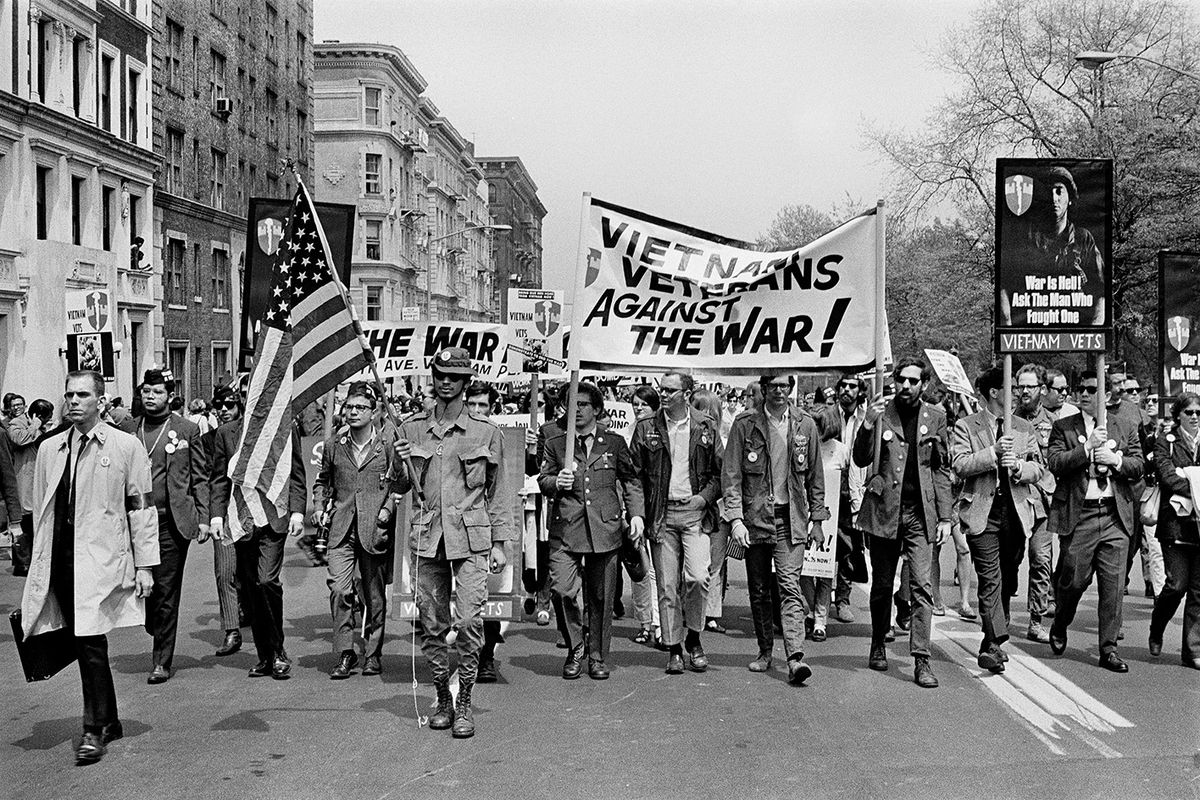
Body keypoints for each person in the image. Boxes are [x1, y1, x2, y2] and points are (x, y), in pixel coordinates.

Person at [20, 371, 159, 765]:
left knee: (91, 641)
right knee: (83, 643)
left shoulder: (125, 446)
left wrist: (146, 565)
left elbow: (142, 508)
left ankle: (92, 729)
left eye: (83, 394)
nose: (74, 401)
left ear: (101, 400)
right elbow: (41, 509)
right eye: (69, 394)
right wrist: (37, 560)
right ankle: (109, 718)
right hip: (62, 561)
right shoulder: (51, 449)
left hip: (101, 560)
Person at [394, 347, 513, 739]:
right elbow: (398, 487)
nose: (445, 381)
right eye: (440, 374)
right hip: (428, 537)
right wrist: (398, 462)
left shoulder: (485, 432)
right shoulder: (411, 430)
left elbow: (498, 493)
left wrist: (499, 543)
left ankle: (465, 701)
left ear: (466, 382)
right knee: (430, 622)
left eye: (453, 376)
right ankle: (442, 698)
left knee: (467, 620)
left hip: (472, 539)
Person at [853, 356, 953, 688]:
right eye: (902, 380)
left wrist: (945, 516)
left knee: (922, 586)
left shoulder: (935, 417)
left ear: (924, 384)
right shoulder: (882, 413)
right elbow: (861, 458)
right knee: (882, 585)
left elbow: (940, 470)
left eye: (913, 381)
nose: (906, 386)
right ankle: (878, 641)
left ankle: (922, 659)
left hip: (919, 513)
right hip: (885, 511)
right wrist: (868, 424)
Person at [724, 373, 827, 685]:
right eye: (774, 386)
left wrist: (818, 520)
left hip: (791, 518)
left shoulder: (805, 424)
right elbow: (731, 477)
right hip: (755, 519)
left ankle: (795, 657)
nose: (780, 392)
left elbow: (815, 476)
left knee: (790, 585)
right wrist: (736, 519)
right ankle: (765, 650)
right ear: (763, 389)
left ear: (791, 389)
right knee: (758, 589)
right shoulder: (745, 425)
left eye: (785, 386)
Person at [539, 381, 644, 682]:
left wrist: (635, 515)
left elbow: (631, 480)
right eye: (572, 405)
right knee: (563, 590)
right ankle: (575, 648)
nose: (577, 411)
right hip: (566, 528)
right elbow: (543, 479)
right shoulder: (557, 442)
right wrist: (554, 482)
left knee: (602, 597)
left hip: (604, 528)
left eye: (583, 405)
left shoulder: (613, 442)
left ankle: (597, 655)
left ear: (597, 409)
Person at [951, 366, 1048, 672]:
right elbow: (960, 464)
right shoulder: (966, 425)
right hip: (982, 512)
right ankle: (993, 644)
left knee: (1006, 577)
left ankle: (993, 636)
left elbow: (1039, 469)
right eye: (1012, 387)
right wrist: (992, 453)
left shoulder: (1022, 427)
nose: (1018, 392)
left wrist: (1019, 466)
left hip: (1016, 513)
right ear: (994, 392)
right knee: (990, 578)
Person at [1046, 370, 1144, 672]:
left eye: (1092, 389)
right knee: (1073, 579)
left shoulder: (1125, 426)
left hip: (1114, 514)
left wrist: (1114, 460)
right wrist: (1086, 448)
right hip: (1081, 514)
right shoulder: (1064, 427)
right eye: (1082, 389)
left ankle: (1109, 649)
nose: (1085, 394)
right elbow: (1055, 463)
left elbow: (1138, 465)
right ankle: (1061, 621)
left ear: (1106, 395)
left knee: (1113, 587)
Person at [630, 371, 720, 675]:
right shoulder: (646, 427)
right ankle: (674, 648)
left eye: (670, 390)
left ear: (686, 393)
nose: (664, 395)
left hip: (695, 514)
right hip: (661, 516)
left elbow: (720, 473)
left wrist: (704, 498)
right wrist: (638, 515)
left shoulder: (705, 425)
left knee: (697, 577)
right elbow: (634, 476)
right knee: (667, 585)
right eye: (662, 389)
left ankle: (693, 637)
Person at [209, 406, 307, 681]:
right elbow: (219, 479)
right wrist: (217, 517)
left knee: (266, 581)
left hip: (274, 517)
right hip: (242, 520)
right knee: (251, 588)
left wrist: (298, 511)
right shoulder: (227, 434)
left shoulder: (283, 428)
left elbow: (297, 472)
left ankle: (277, 652)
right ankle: (265, 656)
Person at [313, 382, 401, 680]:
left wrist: (387, 510)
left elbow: (399, 482)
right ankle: (346, 652)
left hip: (374, 529)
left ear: (374, 412)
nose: (353, 413)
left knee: (374, 596)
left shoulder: (387, 446)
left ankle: (373, 653)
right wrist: (320, 505)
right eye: (349, 407)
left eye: (360, 408)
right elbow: (323, 481)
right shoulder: (334, 444)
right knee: (340, 589)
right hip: (341, 529)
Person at [136, 369, 209, 684]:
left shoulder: (187, 429)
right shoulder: (128, 429)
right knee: (146, 594)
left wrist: (205, 518)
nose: (150, 397)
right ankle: (156, 624)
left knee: (166, 590)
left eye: (157, 392)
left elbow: (201, 476)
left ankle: (161, 661)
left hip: (171, 523)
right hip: (136, 522)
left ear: (169, 394)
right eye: (146, 392)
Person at [999, 164, 1105, 327]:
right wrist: (1007, 335)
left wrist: (1094, 335)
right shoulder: (1025, 239)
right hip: (1031, 336)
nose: (1053, 198)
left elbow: (1101, 291)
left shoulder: (1083, 239)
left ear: (1070, 198)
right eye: (1048, 192)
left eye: (1059, 191)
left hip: (1074, 336)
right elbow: (1004, 286)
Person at [1149, 393, 1200, 670]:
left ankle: (1192, 650)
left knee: (1198, 591)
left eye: (1198, 412)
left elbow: (1181, 477)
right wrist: (1196, 484)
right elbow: (1168, 478)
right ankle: (1157, 627)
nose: (1194, 417)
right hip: (1175, 526)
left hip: (1199, 526)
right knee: (1175, 585)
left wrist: (1189, 476)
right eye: (1189, 412)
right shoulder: (1165, 443)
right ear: (1178, 414)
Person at [464, 381, 507, 683]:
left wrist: (499, 541)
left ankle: (487, 655)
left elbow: (499, 490)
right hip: (451, 530)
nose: (478, 411)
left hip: (482, 529)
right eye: (473, 405)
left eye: (484, 406)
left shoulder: (494, 435)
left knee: (488, 597)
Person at [1012, 363, 1056, 644]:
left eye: (1030, 386)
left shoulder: (1054, 422)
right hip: (1016, 500)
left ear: (1041, 389)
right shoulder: (1008, 419)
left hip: (1045, 500)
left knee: (1041, 559)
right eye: (1021, 386)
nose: (1024, 391)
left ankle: (1036, 619)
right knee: (1011, 559)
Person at [204, 387, 248, 656]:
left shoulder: (257, 431)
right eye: (218, 405)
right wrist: (213, 515)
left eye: (229, 405)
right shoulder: (217, 435)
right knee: (225, 572)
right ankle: (231, 630)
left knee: (255, 577)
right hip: (226, 513)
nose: (223, 410)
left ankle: (251, 613)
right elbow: (214, 479)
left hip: (254, 514)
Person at [802, 408, 849, 642]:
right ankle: (810, 611)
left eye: (820, 425)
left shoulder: (841, 451)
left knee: (825, 571)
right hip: (804, 514)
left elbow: (850, 484)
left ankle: (820, 620)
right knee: (802, 570)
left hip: (832, 519)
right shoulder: (804, 447)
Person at [691, 388, 731, 634]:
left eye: (709, 410)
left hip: (719, 507)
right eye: (699, 409)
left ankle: (711, 612)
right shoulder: (686, 434)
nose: (705, 415)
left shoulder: (725, 438)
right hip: (694, 506)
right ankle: (692, 608)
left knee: (716, 562)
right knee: (694, 563)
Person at [627, 384, 664, 648]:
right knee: (639, 571)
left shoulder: (660, 430)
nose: (638, 409)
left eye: (644, 405)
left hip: (660, 510)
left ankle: (662, 625)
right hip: (636, 511)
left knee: (659, 572)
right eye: (635, 404)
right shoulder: (628, 432)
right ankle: (644, 623)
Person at [832, 374, 868, 624]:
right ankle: (816, 600)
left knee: (849, 548)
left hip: (854, 490)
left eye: (852, 386)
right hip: (829, 485)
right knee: (820, 547)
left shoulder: (866, 419)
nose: (847, 390)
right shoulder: (825, 415)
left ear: (860, 390)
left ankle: (842, 599)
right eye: (843, 386)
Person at [8, 399, 53, 576]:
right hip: (25, 478)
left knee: (36, 519)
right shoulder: (17, 424)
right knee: (24, 520)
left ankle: (35, 559)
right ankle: (22, 562)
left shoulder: (40, 426)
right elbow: (19, 439)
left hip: (38, 477)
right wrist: (35, 424)